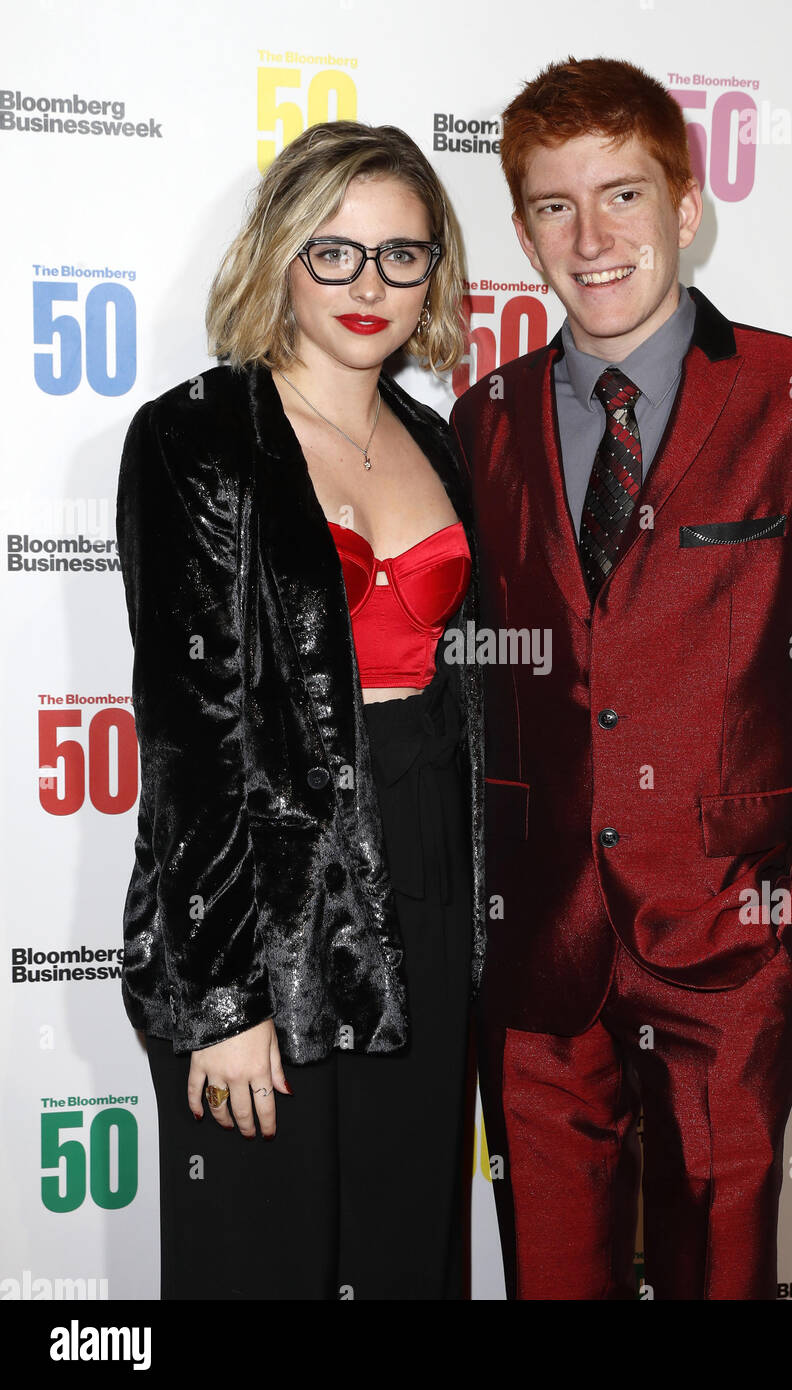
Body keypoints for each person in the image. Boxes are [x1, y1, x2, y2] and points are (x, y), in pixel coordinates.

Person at [450, 57, 792, 1300]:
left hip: (729, 945)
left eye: (622, 196)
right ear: (520, 231)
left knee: (722, 1282)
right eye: (555, 206)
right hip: (542, 956)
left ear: (686, 205)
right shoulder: (480, 421)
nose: (592, 238)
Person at [116, 120, 484, 1300]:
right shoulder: (196, 437)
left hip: (424, 868)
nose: (367, 286)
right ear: (277, 252)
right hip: (268, 899)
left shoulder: (436, 437)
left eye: (400, 255)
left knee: (405, 1245)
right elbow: (188, 732)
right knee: (257, 1263)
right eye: (333, 252)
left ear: (436, 272)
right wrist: (223, 997)